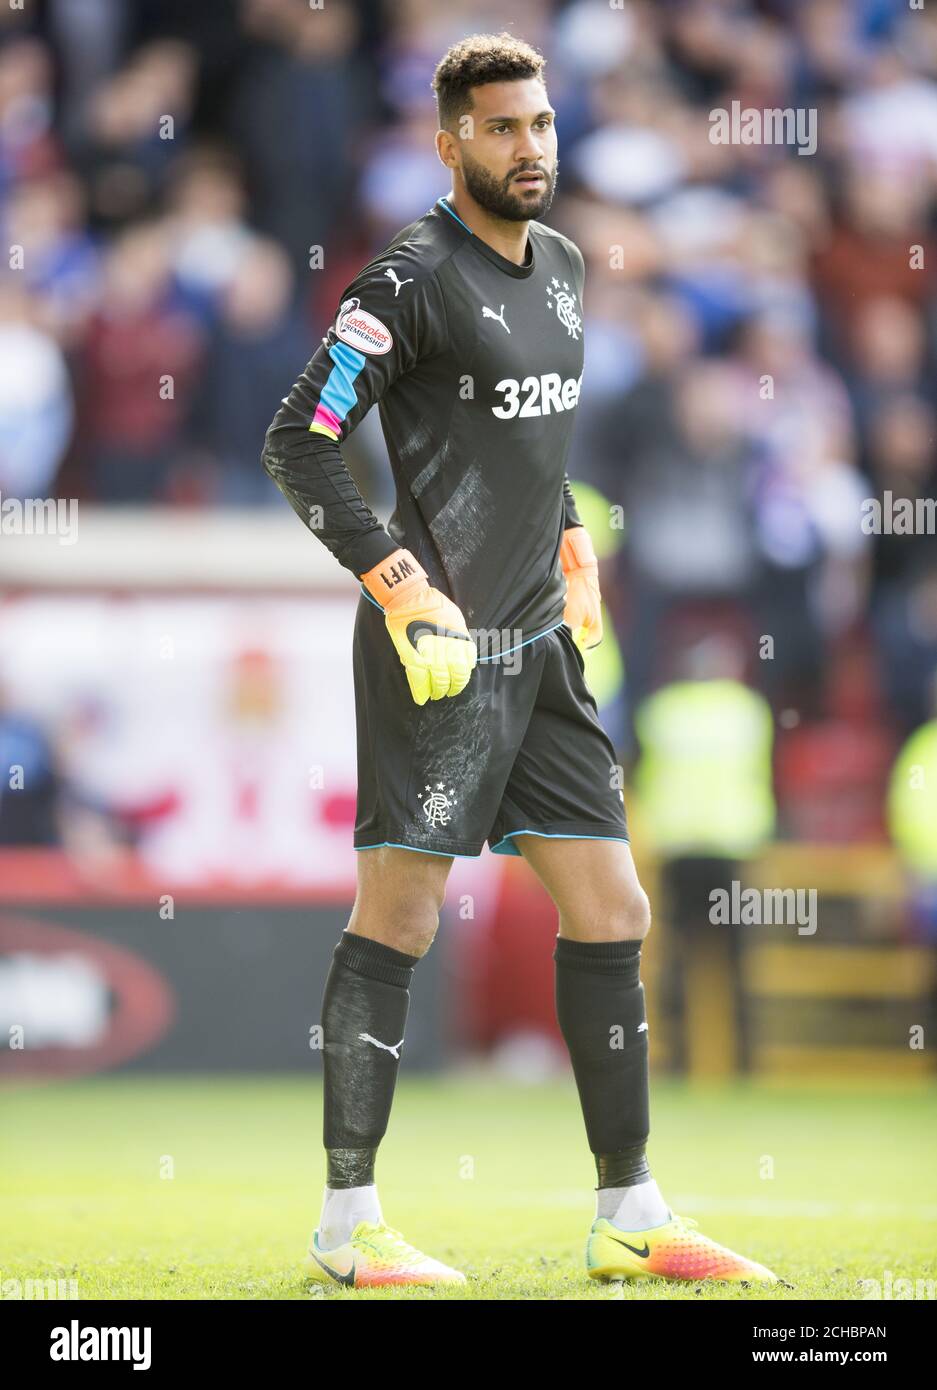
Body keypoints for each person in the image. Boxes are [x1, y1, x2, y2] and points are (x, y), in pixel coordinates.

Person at [262, 31, 777, 1290]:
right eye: (499, 128)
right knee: (398, 920)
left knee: (614, 907)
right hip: (436, 654)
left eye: (540, 124)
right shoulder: (403, 283)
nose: (528, 146)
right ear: (449, 143)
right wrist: (397, 583)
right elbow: (299, 441)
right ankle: (347, 1225)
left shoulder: (561, 266)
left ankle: (628, 1210)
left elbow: (528, 449)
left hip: (542, 652)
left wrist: (566, 542)